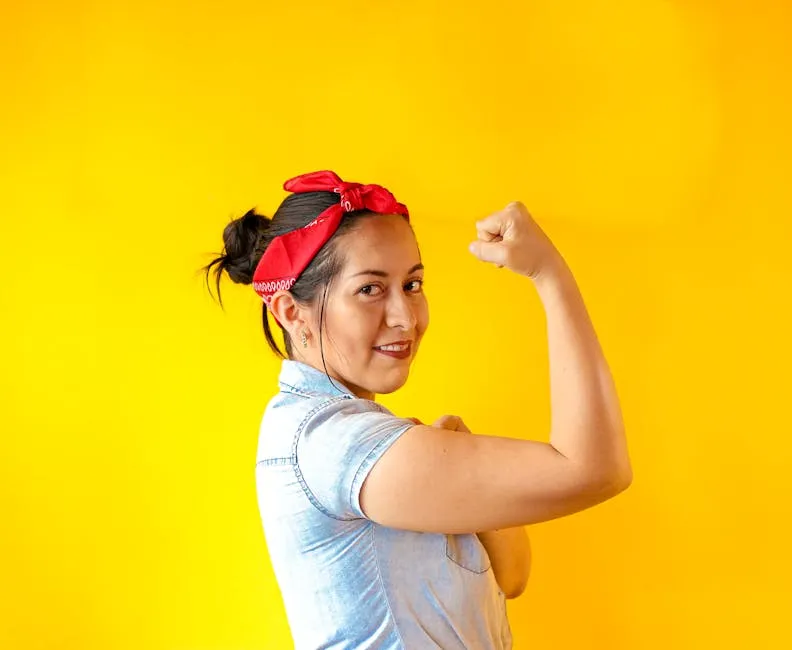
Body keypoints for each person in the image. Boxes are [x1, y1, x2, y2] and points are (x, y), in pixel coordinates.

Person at [203, 170, 633, 649]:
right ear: (290, 311)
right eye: (370, 289)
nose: (406, 317)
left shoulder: (372, 438)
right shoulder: (333, 442)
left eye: (412, 284)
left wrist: (455, 460)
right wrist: (549, 275)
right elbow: (597, 470)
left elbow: (513, 576)